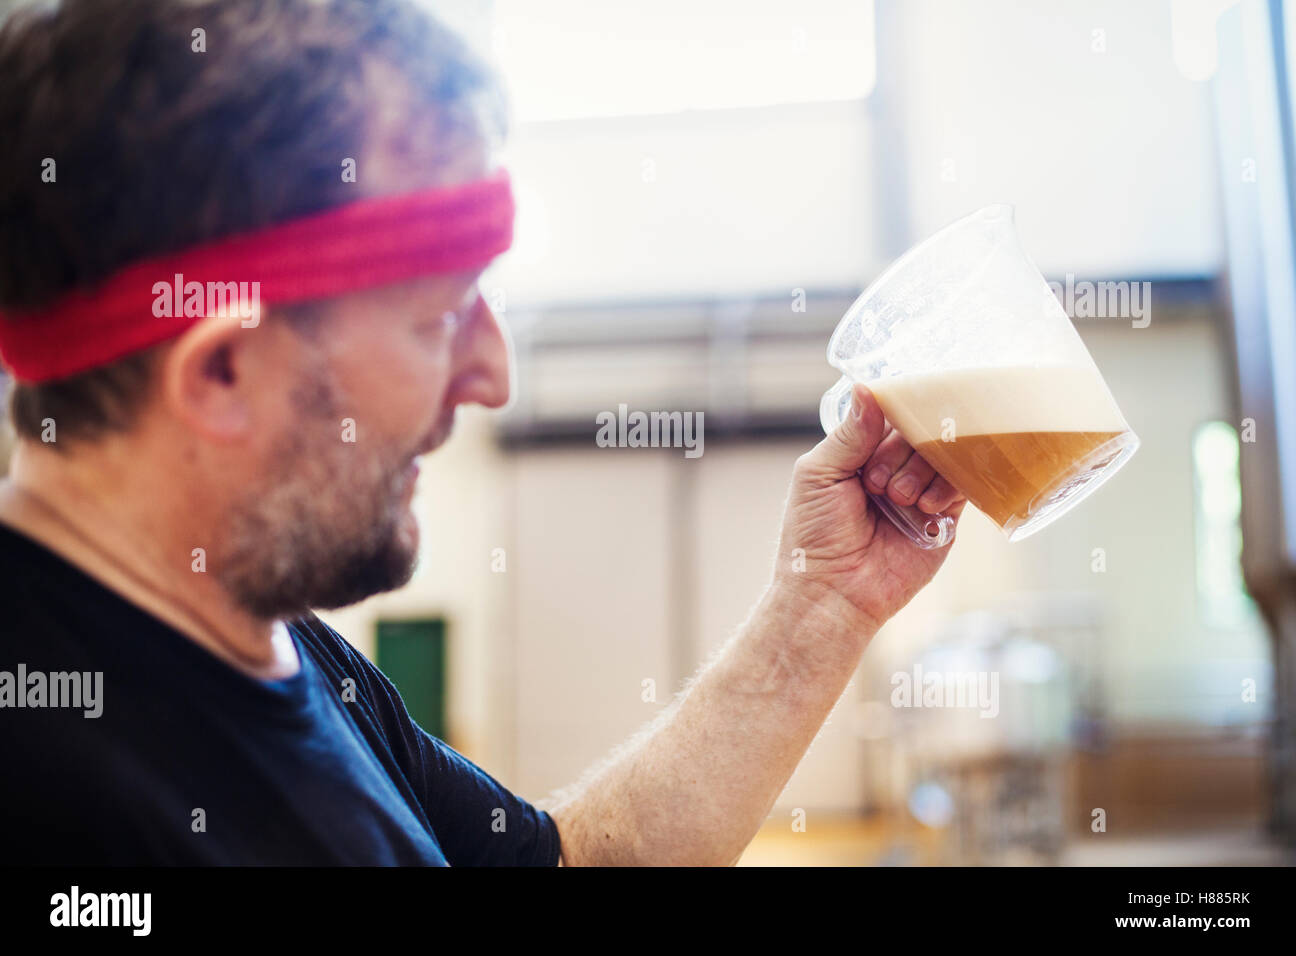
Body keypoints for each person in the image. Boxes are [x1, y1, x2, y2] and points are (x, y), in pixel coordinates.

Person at [0, 0, 966, 865]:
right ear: (220, 371)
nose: (494, 378)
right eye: (436, 320)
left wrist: (823, 605)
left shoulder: (278, 643)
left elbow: (576, 862)